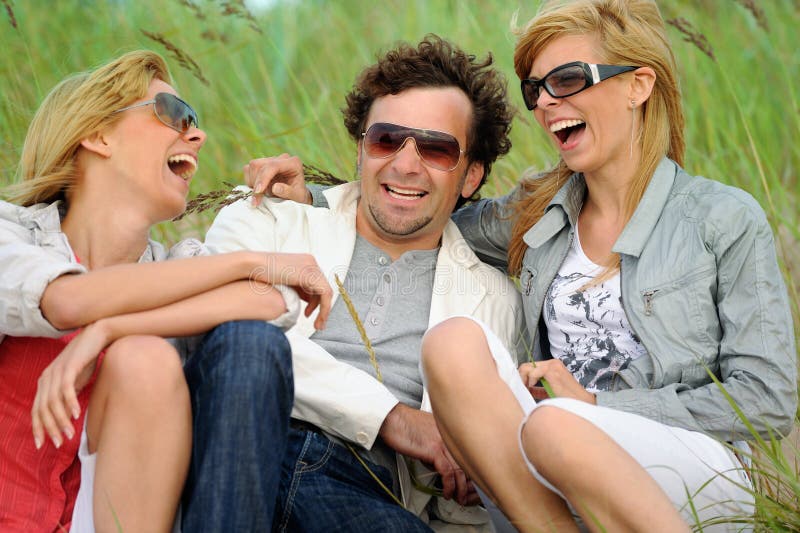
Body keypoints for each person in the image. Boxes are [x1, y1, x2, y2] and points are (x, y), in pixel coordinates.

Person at [416, 1, 798, 532]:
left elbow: (767, 397)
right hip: (553, 465)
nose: (547, 101)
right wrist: (314, 199)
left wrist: (595, 403)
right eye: (535, 88)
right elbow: (417, 212)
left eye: (568, 79)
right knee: (450, 344)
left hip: (696, 474)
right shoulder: (535, 213)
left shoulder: (722, 219)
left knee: (556, 426)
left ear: (638, 86)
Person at [0, 50, 331, 533]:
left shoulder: (176, 265)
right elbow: (65, 300)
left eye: (194, 121)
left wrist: (111, 330)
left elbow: (269, 302)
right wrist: (250, 260)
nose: (196, 135)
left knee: (144, 360)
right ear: (96, 135)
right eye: (174, 115)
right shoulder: (13, 234)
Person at [203, 35, 521, 532]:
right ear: (361, 148)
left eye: (437, 149)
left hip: (367, 490)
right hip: (237, 450)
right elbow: (221, 335)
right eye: (386, 140)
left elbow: (467, 492)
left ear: (472, 177)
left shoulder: (493, 301)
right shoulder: (267, 215)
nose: (405, 164)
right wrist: (396, 419)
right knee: (250, 344)